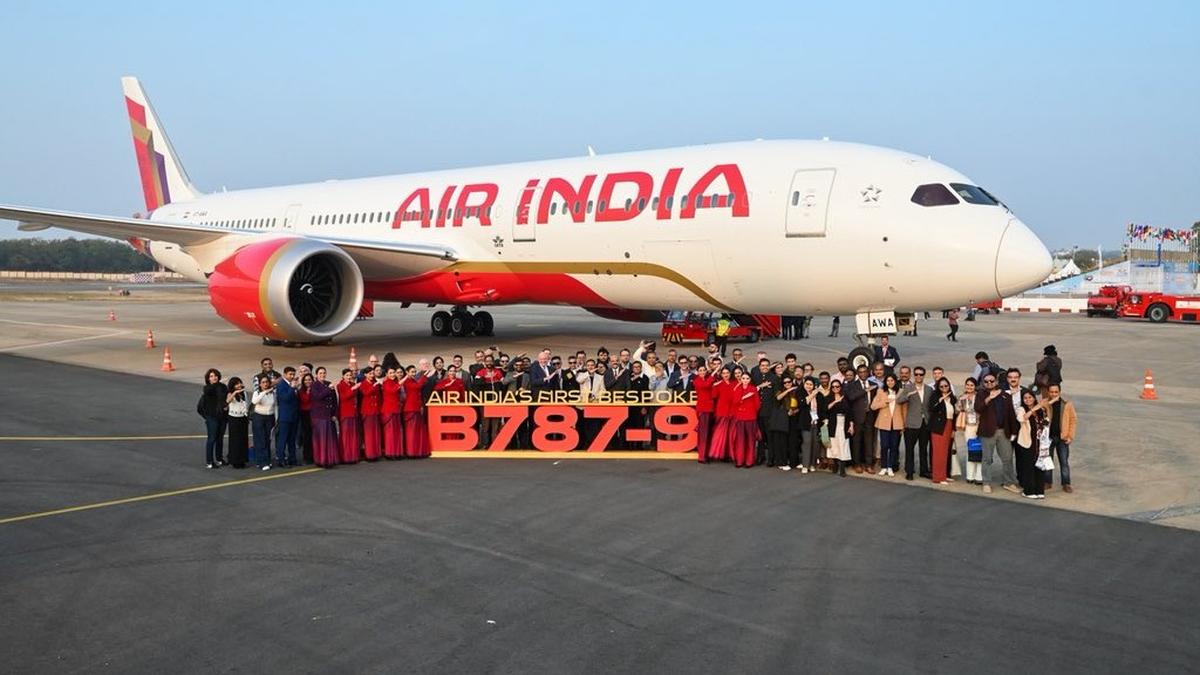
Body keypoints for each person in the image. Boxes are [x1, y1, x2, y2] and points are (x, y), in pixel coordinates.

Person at [974, 372, 1020, 494]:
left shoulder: (1005, 395)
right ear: (983, 383)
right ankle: (986, 482)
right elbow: (978, 408)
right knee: (987, 459)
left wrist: (1014, 431)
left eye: (992, 381)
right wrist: (989, 398)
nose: (989, 383)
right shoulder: (980, 394)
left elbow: (1011, 414)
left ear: (996, 382)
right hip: (988, 432)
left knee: (1007, 458)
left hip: (1003, 431)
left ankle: (1009, 482)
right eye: (986, 381)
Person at [1041, 383, 1077, 492]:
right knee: (1047, 460)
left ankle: (1066, 483)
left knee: (1064, 461)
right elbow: (1040, 414)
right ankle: (1047, 482)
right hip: (1049, 437)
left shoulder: (1067, 404)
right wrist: (1048, 404)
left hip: (1062, 438)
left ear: (1060, 392)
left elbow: (1073, 420)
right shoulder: (1044, 403)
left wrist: (1070, 436)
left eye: (1056, 392)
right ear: (1048, 392)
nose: (1054, 394)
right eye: (1051, 392)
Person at [1015, 390, 1050, 499]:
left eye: (1030, 397)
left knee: (1040, 466)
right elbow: (1022, 418)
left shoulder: (1041, 410)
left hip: (1040, 442)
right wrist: (1035, 408)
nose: (1028, 400)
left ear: (1034, 398)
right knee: (1028, 466)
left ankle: (1039, 490)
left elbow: (1047, 421)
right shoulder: (1021, 409)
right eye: (1025, 398)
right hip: (1027, 442)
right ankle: (1029, 491)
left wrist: (1043, 409)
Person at [871, 374, 906, 476]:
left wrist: (904, 424)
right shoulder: (881, 391)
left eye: (892, 380)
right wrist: (885, 402)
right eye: (888, 381)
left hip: (897, 422)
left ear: (895, 381)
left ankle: (890, 466)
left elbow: (904, 409)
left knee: (894, 446)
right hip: (884, 422)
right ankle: (883, 466)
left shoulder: (901, 392)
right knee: (884, 445)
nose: (890, 382)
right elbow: (873, 406)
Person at [901, 367, 933, 480]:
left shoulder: (929, 389)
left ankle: (924, 470)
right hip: (912, 423)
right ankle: (909, 471)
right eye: (916, 374)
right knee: (909, 449)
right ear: (914, 375)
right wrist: (908, 395)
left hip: (925, 422)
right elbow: (899, 400)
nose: (918, 376)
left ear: (924, 375)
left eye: (921, 374)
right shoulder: (908, 388)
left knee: (923, 448)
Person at [844, 365, 876, 473]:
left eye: (864, 371)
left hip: (870, 417)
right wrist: (865, 390)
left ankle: (869, 464)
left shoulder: (873, 385)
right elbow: (851, 397)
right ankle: (856, 464)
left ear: (868, 372)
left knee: (869, 441)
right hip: (857, 417)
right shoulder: (852, 385)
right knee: (856, 441)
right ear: (857, 374)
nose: (863, 374)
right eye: (860, 372)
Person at [928, 377, 957, 485]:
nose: (944, 388)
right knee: (938, 452)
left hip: (949, 425)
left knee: (946, 452)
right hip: (938, 427)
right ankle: (938, 477)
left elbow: (954, 415)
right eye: (941, 386)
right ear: (938, 387)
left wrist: (954, 429)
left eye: (946, 386)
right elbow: (932, 409)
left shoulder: (952, 398)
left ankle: (944, 475)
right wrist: (940, 401)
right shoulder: (935, 396)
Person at [198, 368, 228, 469]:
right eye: (211, 376)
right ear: (208, 379)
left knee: (220, 438)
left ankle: (219, 459)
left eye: (215, 375)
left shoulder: (223, 387)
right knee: (212, 438)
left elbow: (226, 398)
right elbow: (210, 390)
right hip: (212, 417)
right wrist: (207, 416)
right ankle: (209, 461)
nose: (214, 377)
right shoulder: (207, 388)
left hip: (222, 416)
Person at [308, 373, 339, 468]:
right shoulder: (314, 385)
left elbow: (334, 400)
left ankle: (330, 459)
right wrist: (328, 389)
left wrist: (334, 413)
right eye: (320, 373)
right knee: (321, 439)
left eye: (324, 373)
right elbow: (318, 397)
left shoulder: (328, 383)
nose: (323, 375)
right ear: (316, 375)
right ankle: (321, 460)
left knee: (330, 438)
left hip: (329, 415)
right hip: (319, 415)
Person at [769, 374, 800, 470]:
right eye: (785, 382)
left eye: (789, 382)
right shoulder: (780, 390)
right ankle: (782, 462)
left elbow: (801, 404)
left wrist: (794, 411)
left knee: (793, 441)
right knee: (782, 441)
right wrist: (788, 390)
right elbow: (778, 398)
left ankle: (794, 462)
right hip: (782, 418)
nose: (787, 384)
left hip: (793, 417)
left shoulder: (797, 390)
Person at [731, 372, 760, 468]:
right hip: (740, 417)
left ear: (750, 380)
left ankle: (749, 461)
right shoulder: (738, 389)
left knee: (750, 440)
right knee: (740, 440)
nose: (745, 380)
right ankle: (739, 460)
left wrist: (751, 411)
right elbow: (734, 401)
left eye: (747, 378)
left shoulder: (753, 389)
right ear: (741, 379)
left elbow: (757, 404)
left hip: (750, 417)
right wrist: (743, 397)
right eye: (743, 378)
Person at [404, 363, 433, 458]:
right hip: (411, 409)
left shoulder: (413, 380)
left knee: (418, 431)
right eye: (412, 372)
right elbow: (418, 386)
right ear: (407, 372)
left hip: (417, 408)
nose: (413, 374)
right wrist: (425, 376)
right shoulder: (407, 381)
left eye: (414, 372)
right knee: (412, 432)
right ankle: (411, 452)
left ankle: (418, 451)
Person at [955, 377, 981, 484]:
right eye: (968, 385)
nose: (969, 387)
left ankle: (979, 476)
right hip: (968, 426)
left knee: (979, 449)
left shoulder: (979, 396)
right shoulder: (962, 397)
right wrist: (961, 400)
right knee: (970, 449)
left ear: (975, 386)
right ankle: (970, 475)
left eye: (971, 385)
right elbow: (957, 410)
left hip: (979, 425)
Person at [708, 367, 737, 462]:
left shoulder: (735, 383)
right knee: (720, 434)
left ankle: (729, 454)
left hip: (733, 411)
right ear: (721, 375)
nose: (726, 375)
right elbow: (713, 396)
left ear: (730, 373)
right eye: (724, 373)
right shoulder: (718, 384)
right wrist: (714, 386)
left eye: (727, 372)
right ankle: (720, 454)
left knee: (731, 435)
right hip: (722, 411)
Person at [826, 380, 853, 477]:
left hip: (843, 423)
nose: (835, 388)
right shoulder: (828, 397)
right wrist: (835, 401)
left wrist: (851, 425)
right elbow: (826, 409)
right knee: (834, 445)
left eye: (837, 386)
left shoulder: (845, 397)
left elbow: (850, 412)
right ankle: (835, 465)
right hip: (833, 423)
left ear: (840, 387)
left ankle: (842, 468)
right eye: (833, 387)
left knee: (843, 444)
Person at [335, 368, 362, 464]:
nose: (349, 377)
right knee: (345, 436)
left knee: (353, 435)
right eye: (347, 375)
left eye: (350, 375)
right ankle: (345, 457)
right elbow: (343, 397)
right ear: (343, 376)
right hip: (345, 413)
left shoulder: (353, 384)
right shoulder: (340, 385)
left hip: (353, 412)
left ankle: (353, 456)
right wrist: (352, 389)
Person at [250, 374, 277, 471]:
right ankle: (262, 462)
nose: (265, 384)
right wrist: (264, 392)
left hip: (270, 417)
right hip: (259, 417)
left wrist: (276, 418)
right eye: (263, 382)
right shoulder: (257, 393)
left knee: (267, 439)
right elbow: (254, 401)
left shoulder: (273, 393)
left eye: (267, 382)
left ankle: (266, 459)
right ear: (260, 384)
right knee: (260, 440)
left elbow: (275, 406)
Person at [798, 377, 823, 473]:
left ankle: (812, 464)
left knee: (815, 443)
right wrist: (813, 394)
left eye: (811, 384)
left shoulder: (819, 395)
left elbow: (822, 407)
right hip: (806, 422)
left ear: (814, 385)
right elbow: (804, 403)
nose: (808, 386)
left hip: (816, 421)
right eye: (807, 384)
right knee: (807, 442)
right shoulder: (800, 393)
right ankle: (805, 465)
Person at [692, 362, 716, 463]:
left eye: (704, 370)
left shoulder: (707, 379)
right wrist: (713, 375)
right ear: (697, 372)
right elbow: (706, 385)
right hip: (703, 409)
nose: (702, 372)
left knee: (708, 433)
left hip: (710, 409)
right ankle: (702, 456)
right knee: (703, 434)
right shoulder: (697, 381)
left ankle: (706, 454)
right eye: (700, 370)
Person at [381, 367, 406, 459]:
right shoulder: (385, 383)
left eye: (393, 372)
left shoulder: (395, 382)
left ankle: (398, 452)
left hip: (396, 409)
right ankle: (390, 453)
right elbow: (392, 390)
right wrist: (404, 379)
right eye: (390, 373)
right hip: (389, 410)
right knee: (390, 433)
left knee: (397, 432)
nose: (392, 374)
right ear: (387, 374)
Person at [225, 376, 249, 469]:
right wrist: (235, 393)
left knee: (243, 439)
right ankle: (234, 460)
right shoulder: (230, 393)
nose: (239, 385)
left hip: (243, 418)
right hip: (234, 419)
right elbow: (227, 401)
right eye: (236, 384)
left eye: (239, 383)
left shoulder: (244, 393)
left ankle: (242, 459)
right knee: (235, 440)